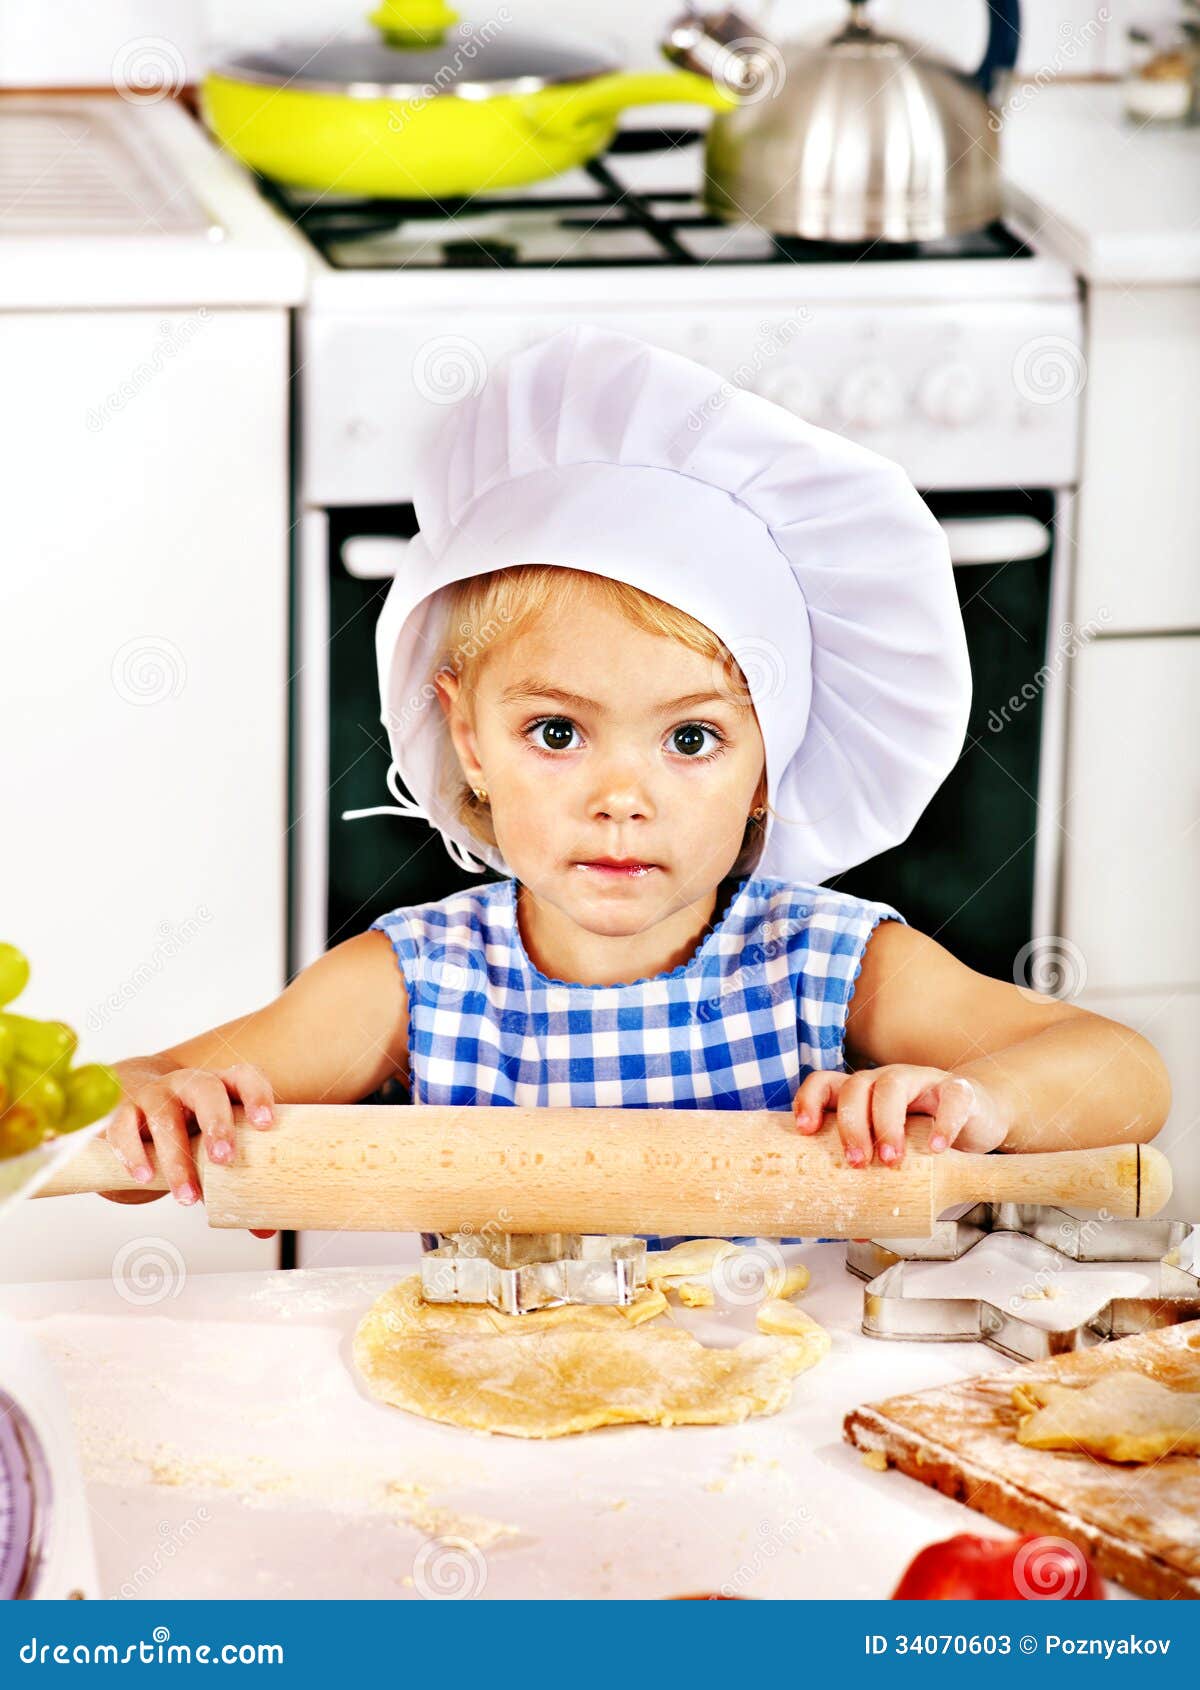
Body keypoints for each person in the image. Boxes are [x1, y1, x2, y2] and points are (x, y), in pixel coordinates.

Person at [100, 327, 1171, 1246]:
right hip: (493, 1401)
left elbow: (1124, 1074)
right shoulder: (422, 981)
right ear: (468, 738)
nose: (621, 797)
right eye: (558, 732)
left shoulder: (820, 963)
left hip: (778, 1400)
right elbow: (118, 1118)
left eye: (691, 739)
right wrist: (162, 1108)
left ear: (769, 766)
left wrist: (981, 1099)